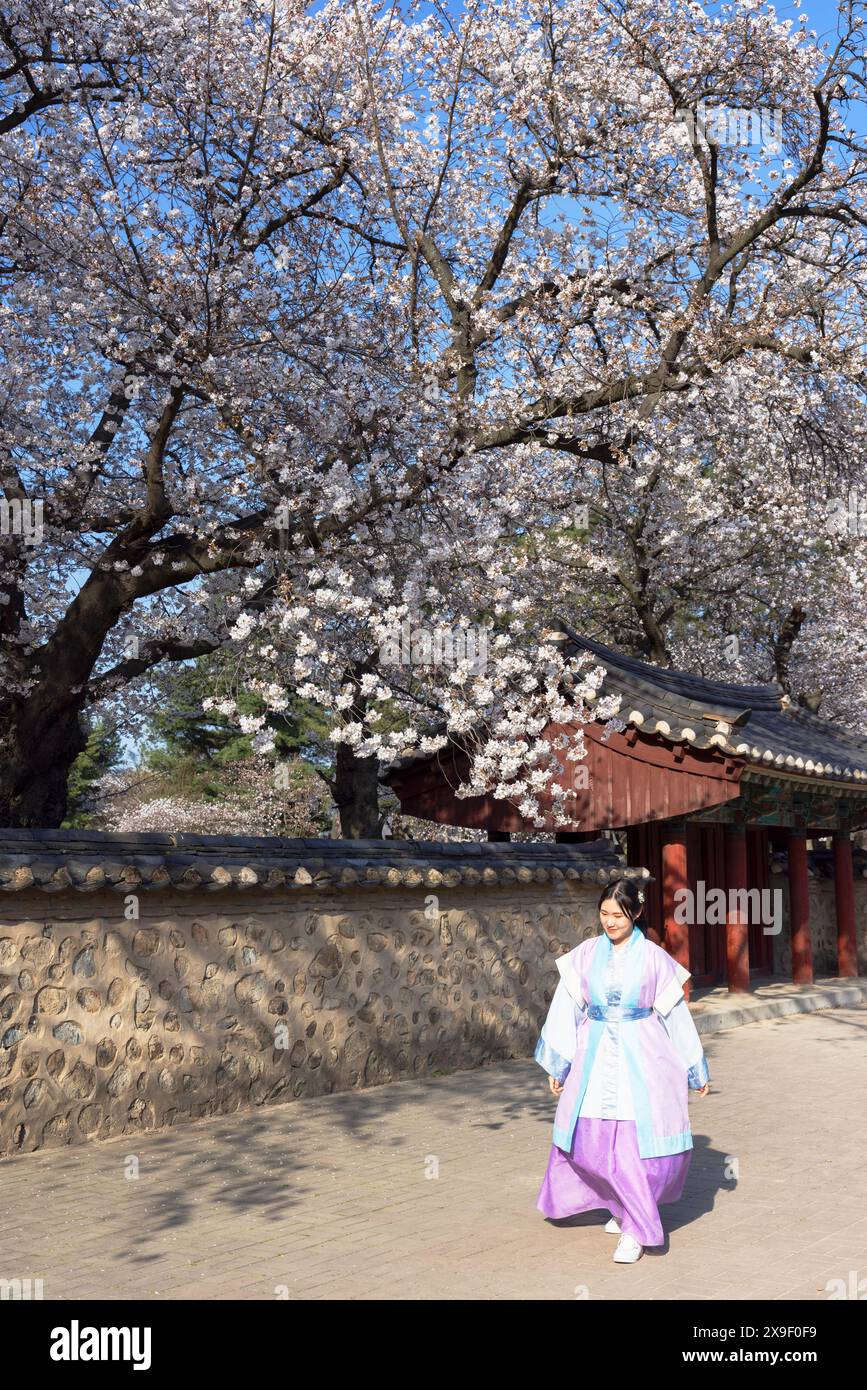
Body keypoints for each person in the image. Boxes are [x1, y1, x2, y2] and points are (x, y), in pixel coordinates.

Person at [534, 876, 710, 1263]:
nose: (610, 922)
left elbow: (675, 1015)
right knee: (590, 1141)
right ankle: (619, 1202)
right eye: (604, 913)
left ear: (637, 912)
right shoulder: (584, 955)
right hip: (593, 1055)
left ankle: (637, 1228)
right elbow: (565, 1006)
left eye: (618, 914)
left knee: (634, 1145)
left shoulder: (654, 958)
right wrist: (558, 1063)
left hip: (642, 1056)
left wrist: (695, 1067)